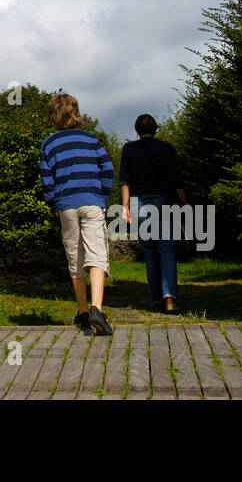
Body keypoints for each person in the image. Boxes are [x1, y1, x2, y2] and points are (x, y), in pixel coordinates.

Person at [39, 93, 115, 335]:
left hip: (66, 204)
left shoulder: (48, 144)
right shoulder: (92, 141)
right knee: (97, 254)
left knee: (75, 257)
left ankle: (83, 311)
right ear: (76, 112)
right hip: (92, 202)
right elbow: (108, 168)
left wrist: (55, 201)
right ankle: (97, 309)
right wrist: (101, 196)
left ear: (53, 115)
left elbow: (47, 178)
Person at [120, 114, 186, 314]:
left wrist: (125, 207)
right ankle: (170, 298)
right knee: (167, 249)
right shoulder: (167, 148)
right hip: (165, 201)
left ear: (137, 130)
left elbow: (125, 180)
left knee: (149, 252)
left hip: (140, 203)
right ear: (156, 128)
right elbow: (177, 180)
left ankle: (156, 297)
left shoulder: (129, 149)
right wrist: (183, 204)